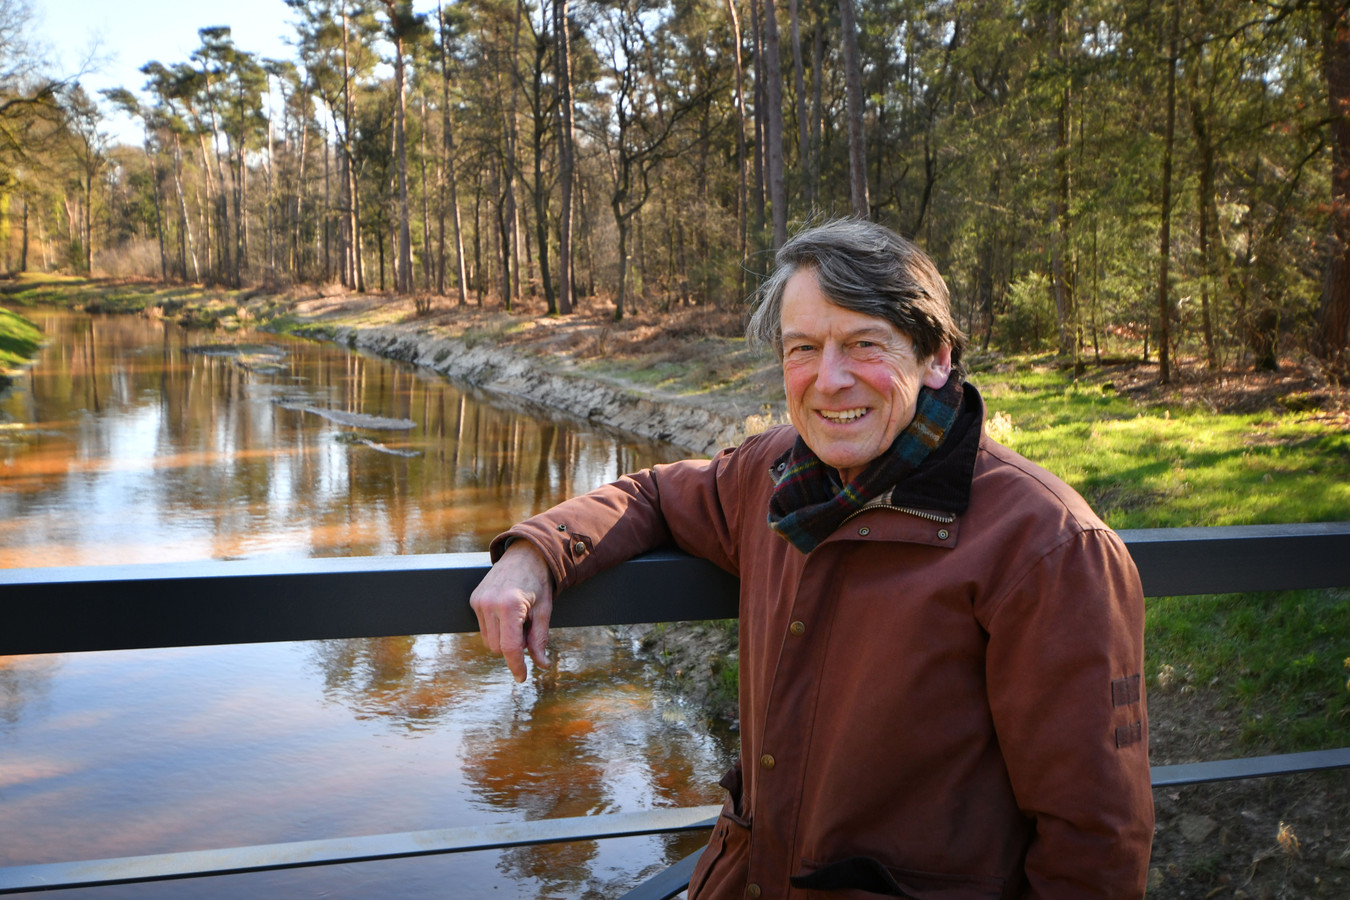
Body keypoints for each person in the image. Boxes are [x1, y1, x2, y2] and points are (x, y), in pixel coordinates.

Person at [470, 219, 1153, 899]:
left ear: (937, 358)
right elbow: (653, 495)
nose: (829, 381)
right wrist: (537, 552)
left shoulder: (1047, 547)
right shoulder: (773, 473)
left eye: (864, 344)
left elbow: (1094, 845)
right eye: (803, 349)